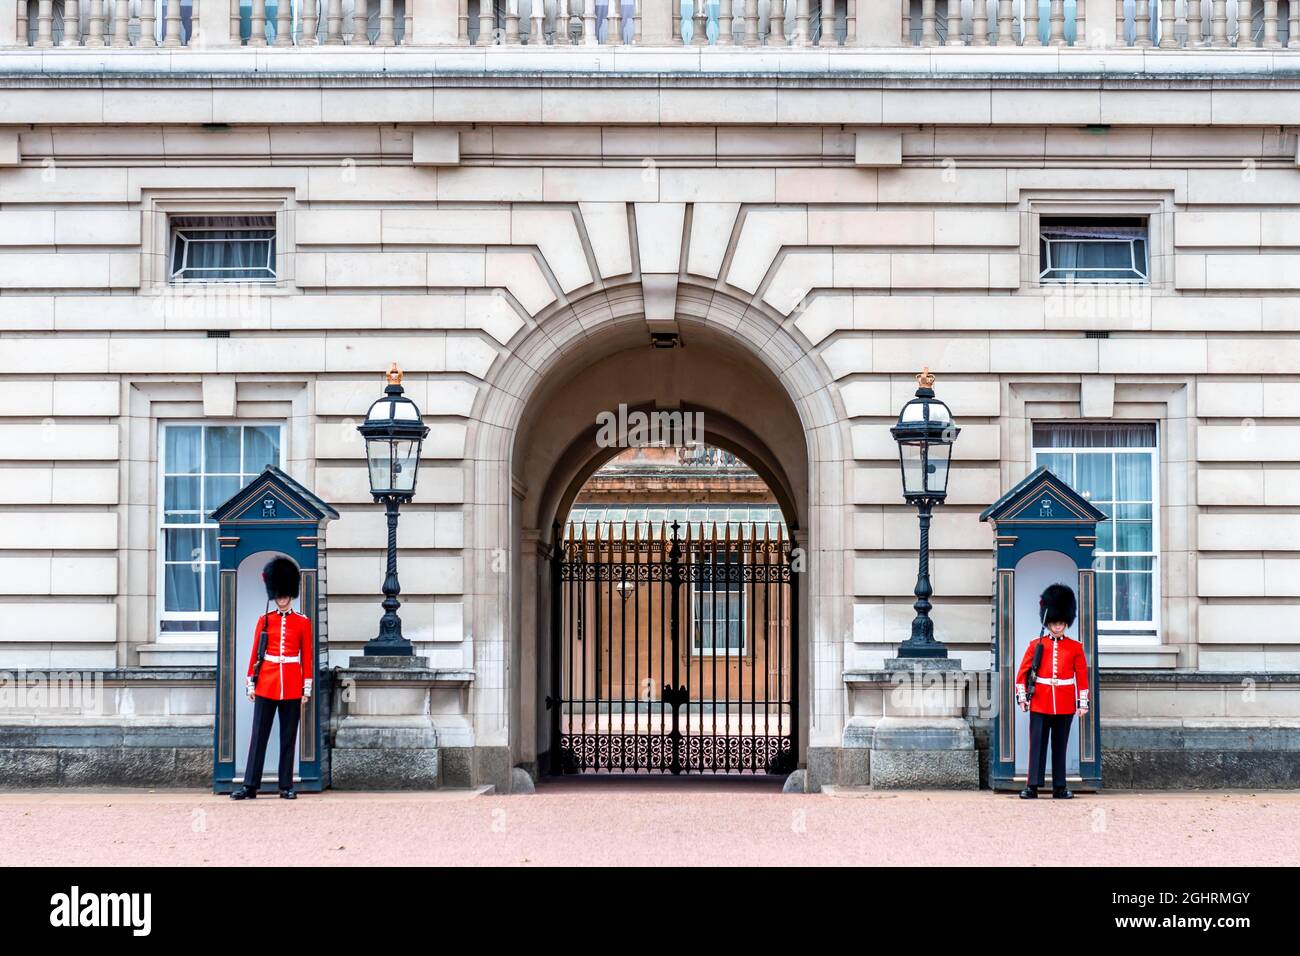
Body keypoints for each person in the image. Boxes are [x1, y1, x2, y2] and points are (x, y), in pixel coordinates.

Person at [231, 556, 313, 800]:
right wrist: (250, 683)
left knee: (288, 737)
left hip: (291, 686)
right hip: (266, 683)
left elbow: (306, 657)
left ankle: (285, 785)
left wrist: (305, 687)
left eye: (286, 595)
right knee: (259, 736)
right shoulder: (264, 621)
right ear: (274, 595)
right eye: (279, 595)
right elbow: (255, 653)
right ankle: (250, 785)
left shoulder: (302, 622)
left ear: (291, 594)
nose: (283, 599)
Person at [1015, 583, 1089, 799]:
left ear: (1066, 623)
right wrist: (1023, 697)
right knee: (1037, 745)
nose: (1057, 627)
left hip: (1065, 702)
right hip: (1040, 700)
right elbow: (1023, 672)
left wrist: (1082, 702)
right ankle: (1033, 786)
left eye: (1061, 623)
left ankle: (1059, 786)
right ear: (1048, 623)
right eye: (1054, 623)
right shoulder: (1036, 644)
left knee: (1060, 746)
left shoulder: (1076, 647)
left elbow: (1081, 676)